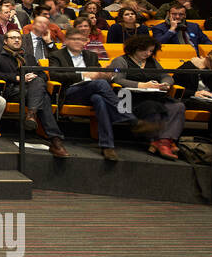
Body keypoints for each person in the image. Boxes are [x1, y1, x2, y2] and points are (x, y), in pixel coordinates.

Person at [48, 29, 152, 161]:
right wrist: (83, 75)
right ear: (66, 41)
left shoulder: (91, 55)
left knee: (100, 99)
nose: (77, 42)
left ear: (86, 42)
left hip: (93, 90)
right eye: (74, 39)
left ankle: (107, 146)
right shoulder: (56, 55)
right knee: (100, 85)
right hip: (70, 91)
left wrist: (105, 75)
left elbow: (99, 74)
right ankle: (131, 119)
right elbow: (54, 74)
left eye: (81, 39)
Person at [0, 30, 67, 156]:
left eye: (19, 38)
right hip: (12, 90)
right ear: (5, 41)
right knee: (44, 96)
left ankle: (32, 115)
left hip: (31, 90)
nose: (16, 40)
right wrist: (18, 78)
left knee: (39, 83)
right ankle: (55, 140)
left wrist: (33, 76)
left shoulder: (28, 56)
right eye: (13, 38)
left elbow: (42, 74)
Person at [108, 36, 185, 160]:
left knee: (178, 106)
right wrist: (142, 85)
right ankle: (157, 140)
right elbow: (118, 79)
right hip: (131, 98)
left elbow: (166, 76)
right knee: (151, 106)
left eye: (151, 51)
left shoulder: (153, 62)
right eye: (145, 50)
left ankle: (163, 141)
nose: (148, 53)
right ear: (135, 48)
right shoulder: (121, 61)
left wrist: (165, 84)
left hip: (154, 95)